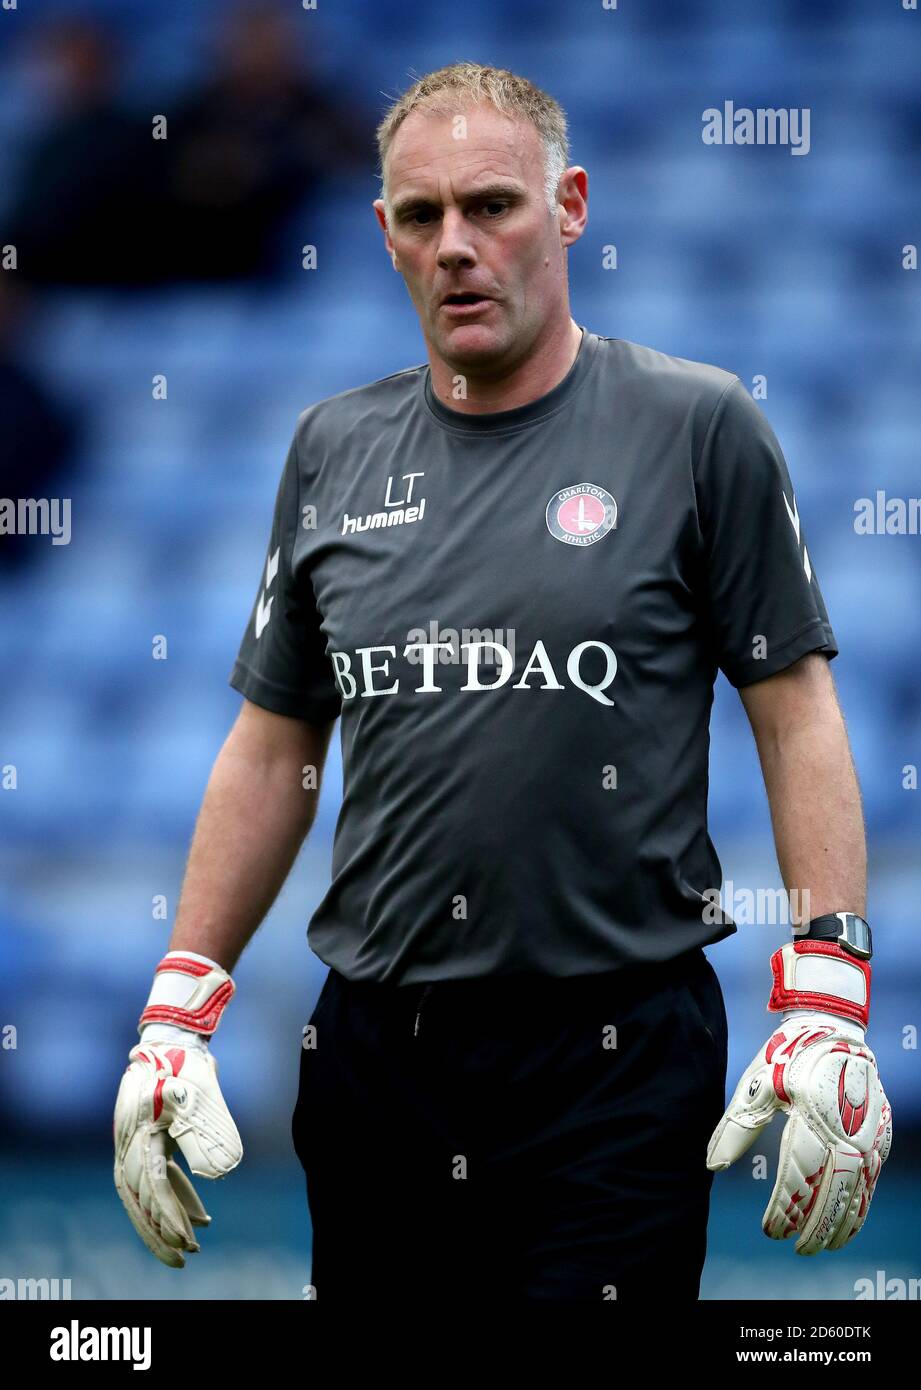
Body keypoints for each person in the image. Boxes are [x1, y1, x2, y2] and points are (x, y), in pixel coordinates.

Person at [113, 62, 891, 1302]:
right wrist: (177, 1007)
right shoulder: (330, 448)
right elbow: (273, 745)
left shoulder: (698, 429)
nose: (456, 246)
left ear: (570, 204)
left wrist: (831, 991)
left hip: (616, 1058)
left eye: (493, 206)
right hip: (375, 1054)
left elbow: (794, 714)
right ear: (383, 234)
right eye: (421, 218)